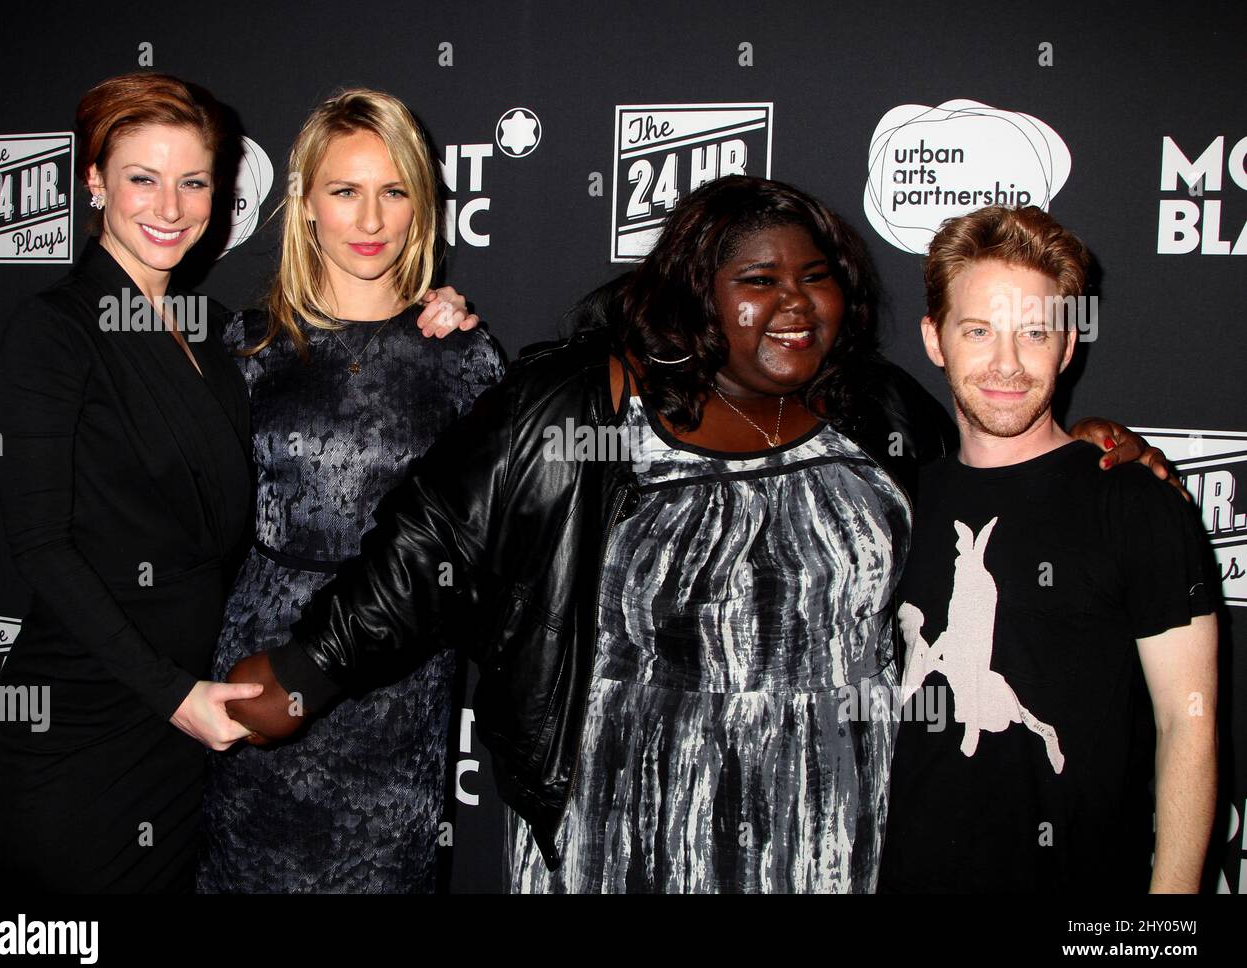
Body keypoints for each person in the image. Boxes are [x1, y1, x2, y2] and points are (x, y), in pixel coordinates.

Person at [222, 177, 1166, 893]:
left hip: (830, 816)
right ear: (694, 292)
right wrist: (313, 666)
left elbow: (983, 460)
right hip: (630, 814)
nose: (794, 304)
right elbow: (435, 538)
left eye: (816, 279)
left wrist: (1081, 446)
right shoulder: (589, 401)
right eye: (757, 281)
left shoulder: (872, 408)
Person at [197, 89, 503, 893]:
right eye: (344, 191)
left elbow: (481, 547)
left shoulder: (462, 356)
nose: (370, 220)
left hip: (397, 683)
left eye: (394, 190)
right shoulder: (247, 346)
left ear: (421, 203)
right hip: (257, 668)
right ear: (303, 205)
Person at [878, 205, 1218, 893]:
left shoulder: (1131, 502)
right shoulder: (892, 502)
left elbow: (1189, 729)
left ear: (1068, 346)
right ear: (934, 339)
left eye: (1035, 333)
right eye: (979, 331)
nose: (1007, 364)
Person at [0, 72, 263, 892]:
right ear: (96, 181)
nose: (170, 207)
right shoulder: (55, 331)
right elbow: (40, 545)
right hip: (83, 730)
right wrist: (176, 696)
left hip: (182, 742)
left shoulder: (210, 338)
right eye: (143, 178)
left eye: (194, 181)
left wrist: (433, 317)